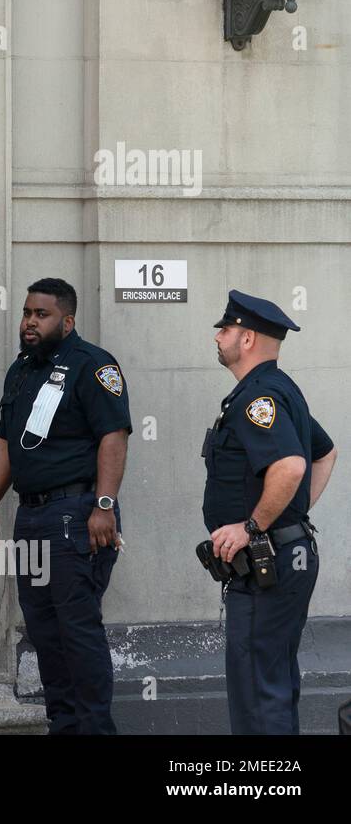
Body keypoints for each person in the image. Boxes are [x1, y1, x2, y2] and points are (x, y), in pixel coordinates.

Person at [0, 278, 130, 735]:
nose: (29, 322)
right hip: (32, 516)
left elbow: (113, 435)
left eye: (40, 315)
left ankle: (95, 729)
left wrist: (103, 505)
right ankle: (63, 726)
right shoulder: (22, 369)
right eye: (26, 313)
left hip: (76, 516)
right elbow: (5, 441)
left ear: (67, 320)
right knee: (45, 632)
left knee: (78, 632)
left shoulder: (93, 365)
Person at [201, 289, 336, 734]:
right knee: (271, 685)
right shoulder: (281, 390)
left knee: (258, 693)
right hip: (282, 556)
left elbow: (293, 464)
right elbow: (324, 453)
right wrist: (292, 518)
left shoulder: (259, 399)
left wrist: (253, 526)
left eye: (226, 328)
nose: (218, 335)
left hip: (268, 564)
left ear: (248, 339)